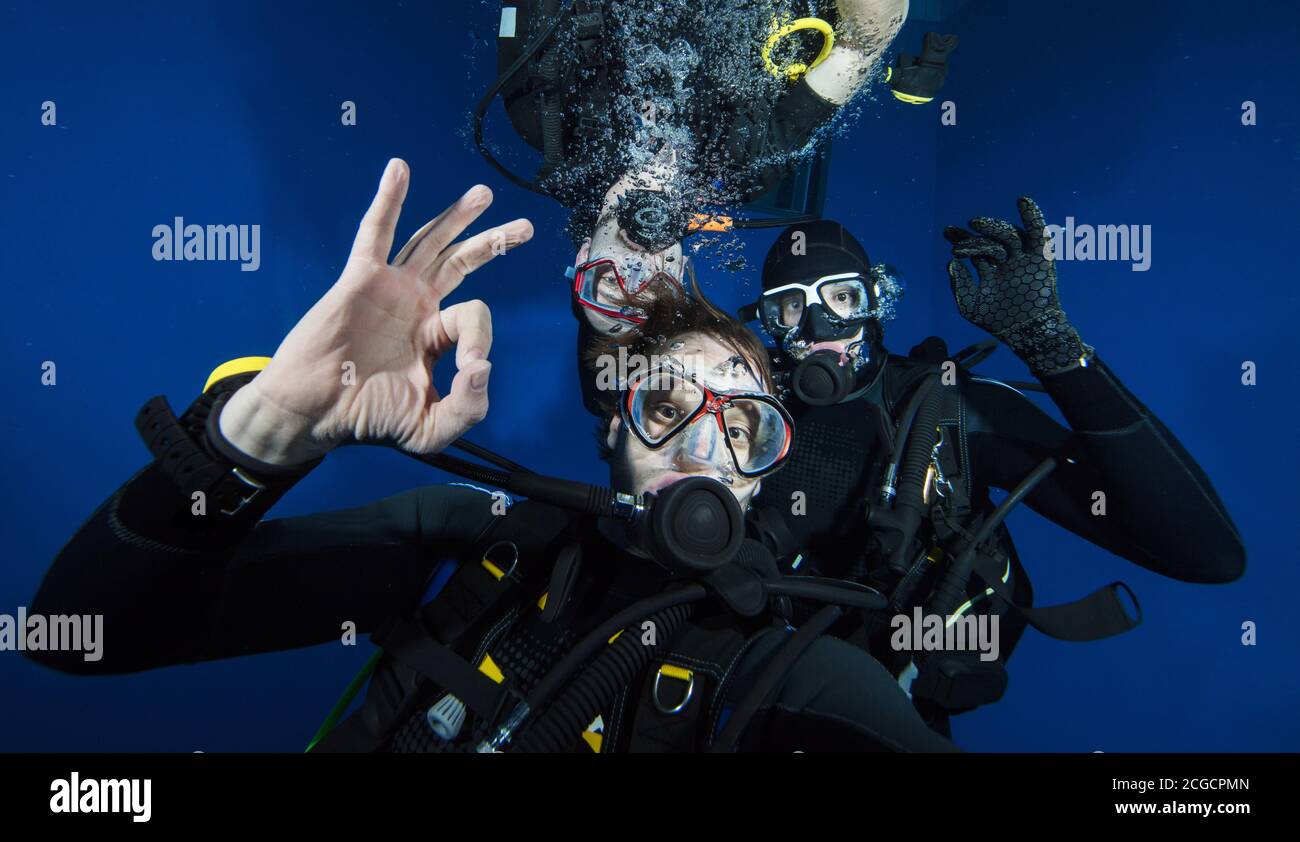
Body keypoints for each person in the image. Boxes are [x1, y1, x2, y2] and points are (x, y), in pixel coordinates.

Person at [25, 159, 959, 753]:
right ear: (614, 427)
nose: (701, 441)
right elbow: (75, 636)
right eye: (665, 402)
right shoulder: (490, 546)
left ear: (764, 475)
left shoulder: (785, 670)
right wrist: (263, 432)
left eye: (743, 423)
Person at [737, 202, 1246, 732]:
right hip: (757, 702)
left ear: (876, 300)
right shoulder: (740, 419)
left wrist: (1050, 343)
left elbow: (1207, 554)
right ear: (768, 322)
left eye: (842, 297)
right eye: (790, 308)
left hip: (898, 717)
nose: (820, 326)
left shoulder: (953, 412)